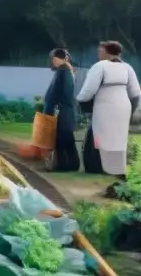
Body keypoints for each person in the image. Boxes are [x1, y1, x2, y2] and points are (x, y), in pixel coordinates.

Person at [76, 41, 141, 176]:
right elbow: (136, 94)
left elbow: (89, 90)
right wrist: (130, 112)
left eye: (101, 50)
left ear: (106, 51)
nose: (99, 53)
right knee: (118, 138)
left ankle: (96, 167)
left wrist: (80, 101)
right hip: (123, 107)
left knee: (98, 136)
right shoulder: (127, 68)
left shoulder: (100, 66)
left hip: (104, 107)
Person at [42, 49, 80, 172]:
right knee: (68, 138)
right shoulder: (69, 71)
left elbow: (55, 93)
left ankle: (63, 166)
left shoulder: (62, 71)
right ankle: (73, 165)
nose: (52, 62)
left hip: (61, 110)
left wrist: (48, 111)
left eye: (53, 59)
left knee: (61, 139)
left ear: (62, 59)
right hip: (68, 110)